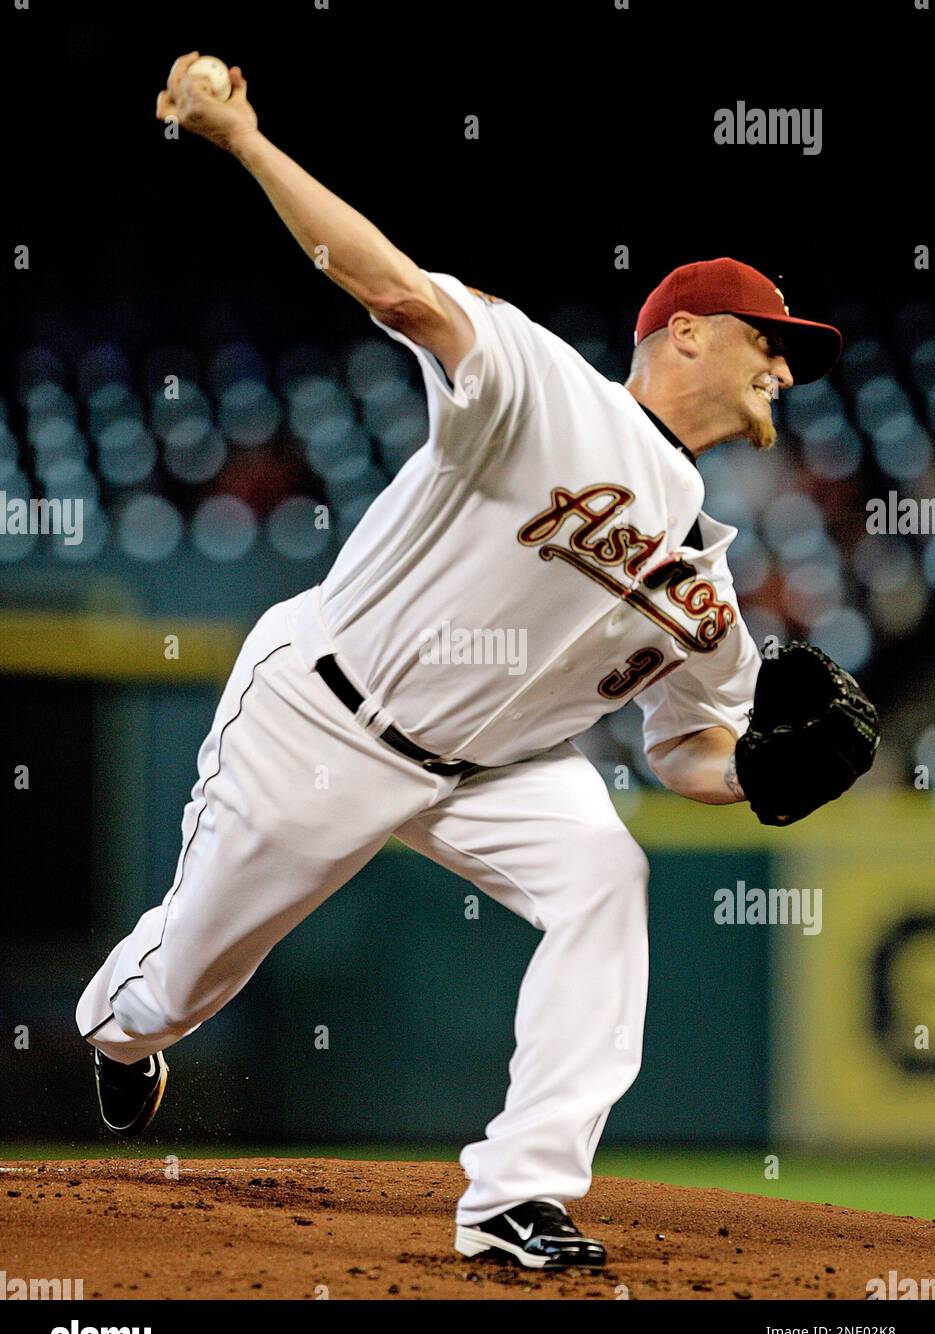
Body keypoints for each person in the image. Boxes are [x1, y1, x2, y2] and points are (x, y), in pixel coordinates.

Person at [77, 53, 844, 1270]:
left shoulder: (704, 576)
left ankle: (515, 1196)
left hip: (498, 770)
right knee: (177, 989)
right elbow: (392, 288)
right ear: (684, 330)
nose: (787, 369)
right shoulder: (546, 387)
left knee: (605, 875)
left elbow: (692, 748)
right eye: (770, 340)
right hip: (325, 719)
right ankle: (118, 1039)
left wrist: (762, 771)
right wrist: (241, 141)